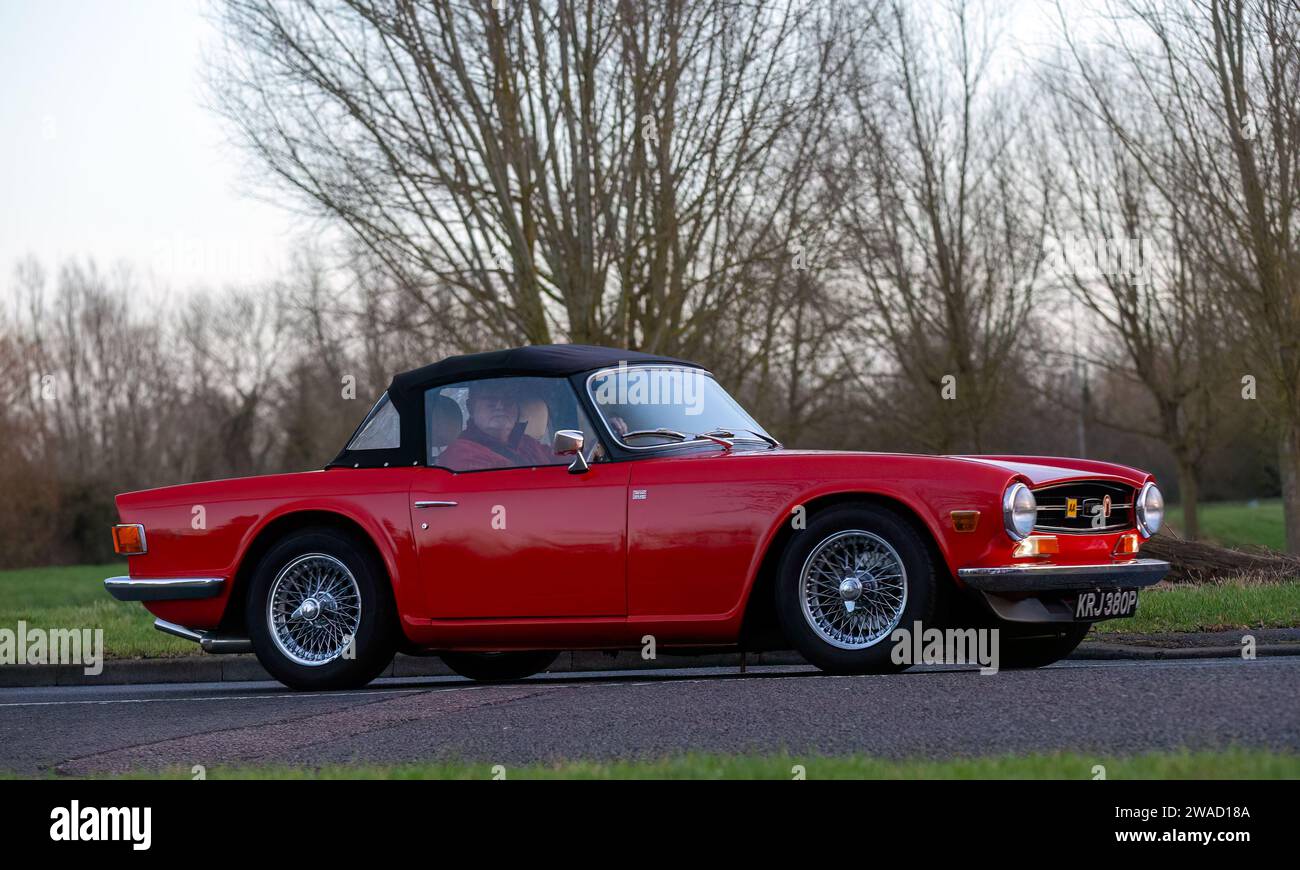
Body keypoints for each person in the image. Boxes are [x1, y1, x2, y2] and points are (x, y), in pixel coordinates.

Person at [435, 380, 556, 471]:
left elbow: (565, 462)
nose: (500, 406)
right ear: (471, 408)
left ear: (517, 408)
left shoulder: (527, 443)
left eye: (508, 399)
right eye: (490, 400)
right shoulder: (460, 454)